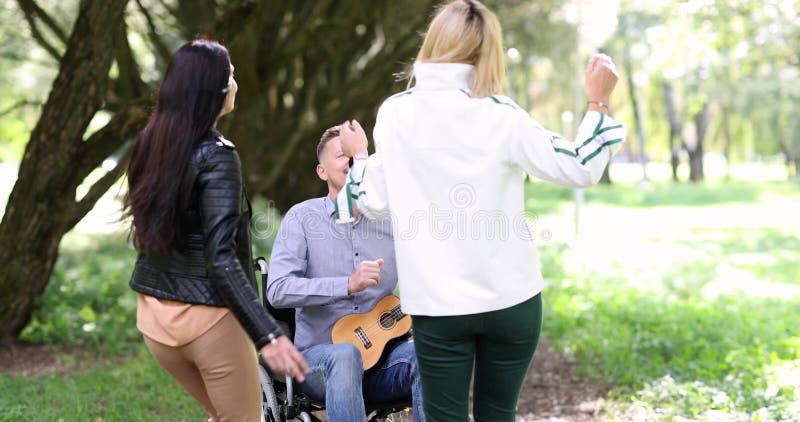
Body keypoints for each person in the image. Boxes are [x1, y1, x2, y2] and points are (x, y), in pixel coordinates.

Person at [332, 1, 626, 421]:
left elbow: (373, 202)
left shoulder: (396, 113)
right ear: (487, 52)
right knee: (497, 414)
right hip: (513, 300)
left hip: (438, 306)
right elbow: (578, 165)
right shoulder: (502, 115)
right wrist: (597, 102)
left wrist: (361, 161)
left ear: (432, 43)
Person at [124, 38, 308, 421]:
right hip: (210, 323)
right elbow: (221, 257)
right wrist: (268, 334)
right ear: (215, 90)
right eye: (232, 76)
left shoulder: (150, 144)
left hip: (155, 320)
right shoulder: (218, 155)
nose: (237, 84)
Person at [265, 126, 425, 421]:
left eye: (356, 154)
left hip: (381, 364)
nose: (352, 162)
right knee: (346, 354)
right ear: (322, 171)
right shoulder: (302, 218)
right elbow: (277, 290)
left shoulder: (391, 222)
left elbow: (424, 275)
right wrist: (346, 285)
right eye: (342, 155)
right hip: (317, 363)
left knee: (427, 356)